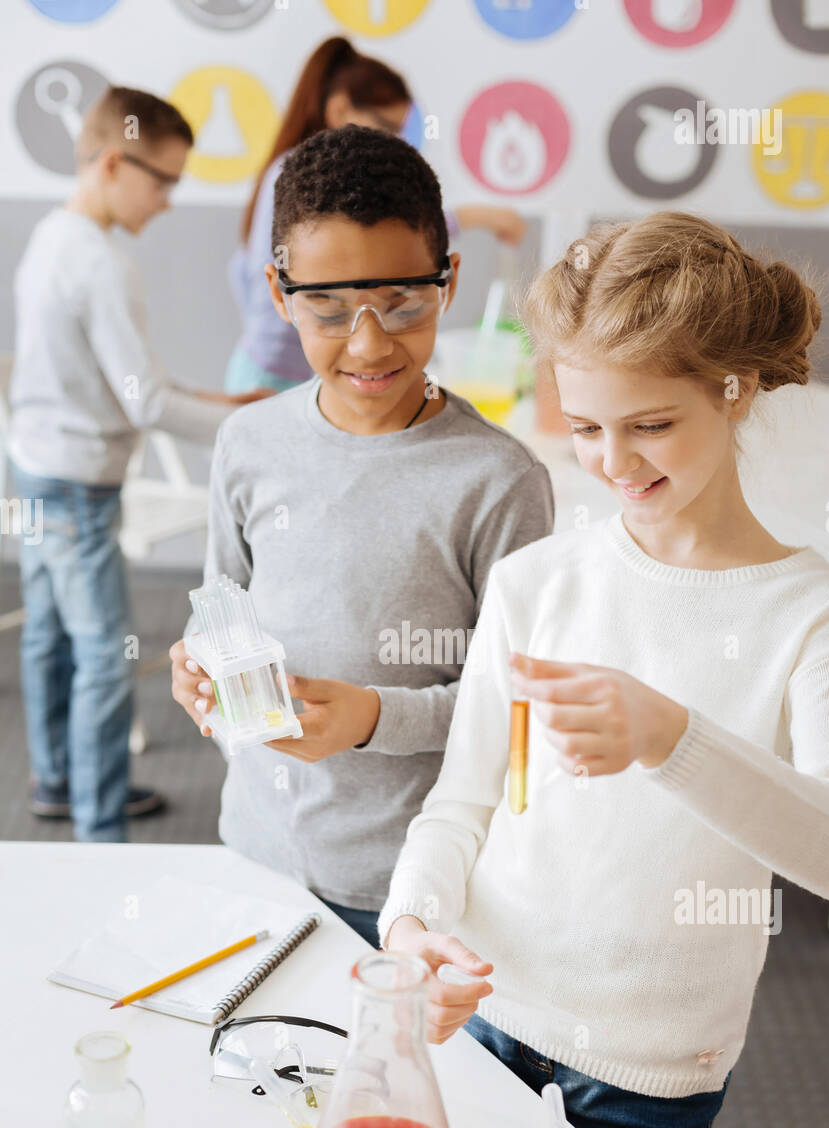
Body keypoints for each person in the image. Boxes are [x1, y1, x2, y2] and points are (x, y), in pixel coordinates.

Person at [377, 211, 829, 1128]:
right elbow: (464, 802)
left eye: (650, 424)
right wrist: (411, 921)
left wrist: (671, 738)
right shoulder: (535, 581)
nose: (612, 461)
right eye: (586, 426)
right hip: (481, 1017)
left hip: (648, 1071)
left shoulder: (812, 614)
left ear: (733, 395)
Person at [170, 124, 554, 948]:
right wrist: (197, 664)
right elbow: (221, 605)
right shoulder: (248, 443)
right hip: (258, 855)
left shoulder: (498, 481)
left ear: (449, 282)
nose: (371, 341)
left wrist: (374, 718)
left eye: (404, 303)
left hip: (417, 888)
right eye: (331, 309)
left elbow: (516, 709)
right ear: (280, 295)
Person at [7, 86, 261, 843]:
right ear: (115, 161)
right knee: (106, 658)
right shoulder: (103, 264)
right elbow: (145, 401)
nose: (170, 201)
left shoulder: (51, 238)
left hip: (34, 465)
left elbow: (111, 381)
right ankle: (98, 832)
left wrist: (218, 396)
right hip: (81, 483)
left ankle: (56, 779)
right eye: (164, 180)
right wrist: (247, 426)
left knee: (48, 637)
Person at [225, 35, 528, 394]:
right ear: (339, 111)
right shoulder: (295, 182)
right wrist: (477, 216)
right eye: (386, 125)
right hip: (272, 379)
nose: (396, 141)